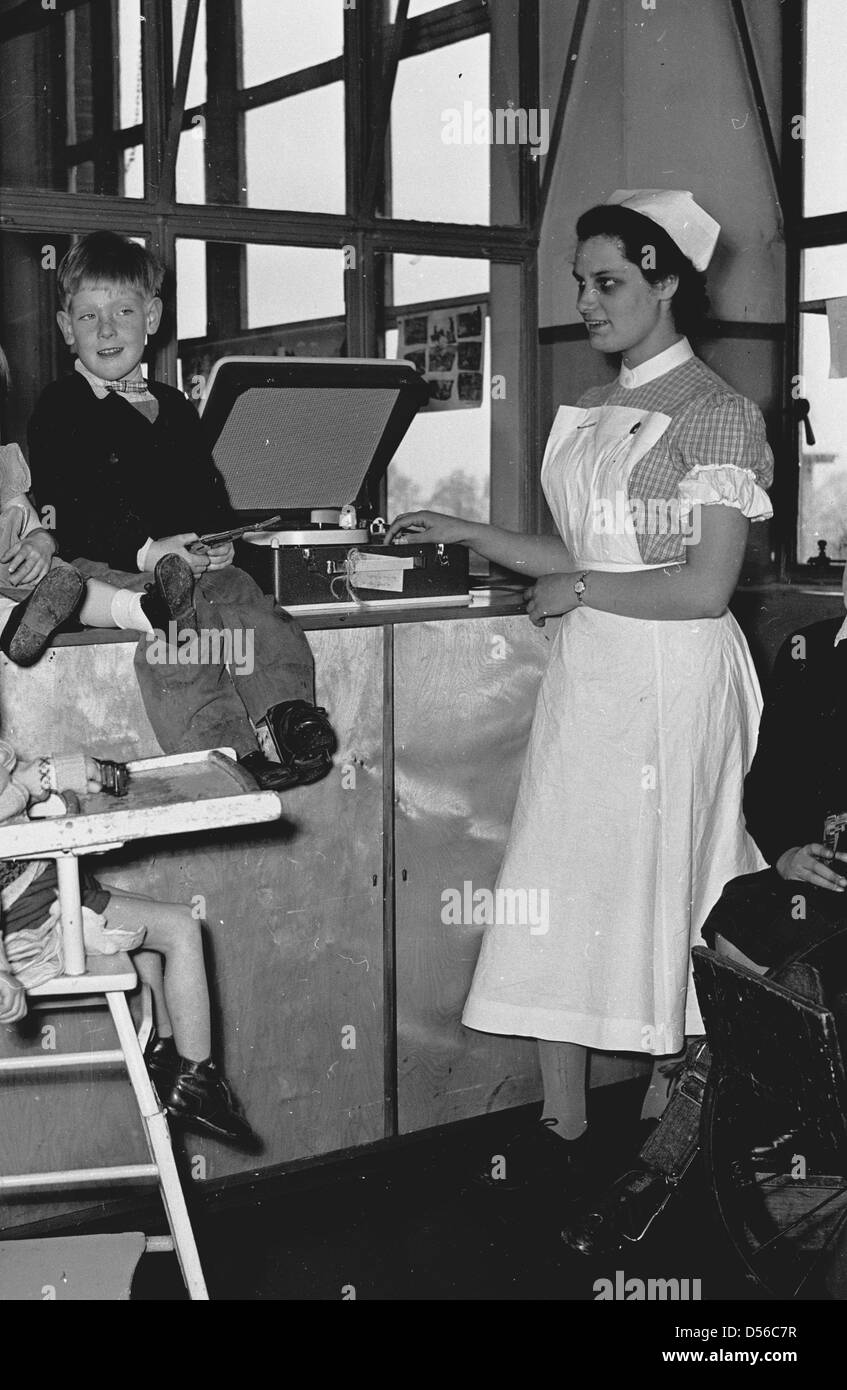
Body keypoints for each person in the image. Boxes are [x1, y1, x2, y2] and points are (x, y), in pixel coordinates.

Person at [388, 189, 774, 1188]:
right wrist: (471, 534)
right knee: (558, 878)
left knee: (664, 883)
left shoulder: (717, 415)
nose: (587, 302)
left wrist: (573, 585)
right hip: (591, 671)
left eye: (608, 283)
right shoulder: (595, 410)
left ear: (665, 282)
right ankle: (560, 1123)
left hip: (674, 679)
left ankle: (666, 1122)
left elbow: (700, 587)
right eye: (579, 283)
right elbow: (582, 552)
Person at [0, 587, 257, 1146]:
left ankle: (166, 1057)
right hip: (10, 925)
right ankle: (196, 1079)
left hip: (23, 896)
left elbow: (0, 788)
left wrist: (61, 772)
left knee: (146, 948)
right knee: (180, 930)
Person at [564, 587, 847, 1254]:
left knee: (778, 972)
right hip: (824, 879)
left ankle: (658, 1172)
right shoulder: (809, 655)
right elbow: (770, 785)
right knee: (745, 915)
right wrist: (785, 852)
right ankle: (754, 1158)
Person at [27, 232, 336, 791]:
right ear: (66, 327)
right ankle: (221, 748)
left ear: (152, 317)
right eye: (88, 315)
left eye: (123, 311)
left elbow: (205, 491)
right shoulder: (60, 406)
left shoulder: (172, 404)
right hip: (108, 568)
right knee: (181, 632)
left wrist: (218, 539)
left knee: (253, 606)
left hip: (189, 563)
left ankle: (284, 717)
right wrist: (148, 550)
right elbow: (72, 508)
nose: (106, 329)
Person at [0, 314, 199, 664]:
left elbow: (29, 521)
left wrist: (41, 542)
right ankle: (12, 625)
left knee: (67, 579)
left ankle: (147, 611)